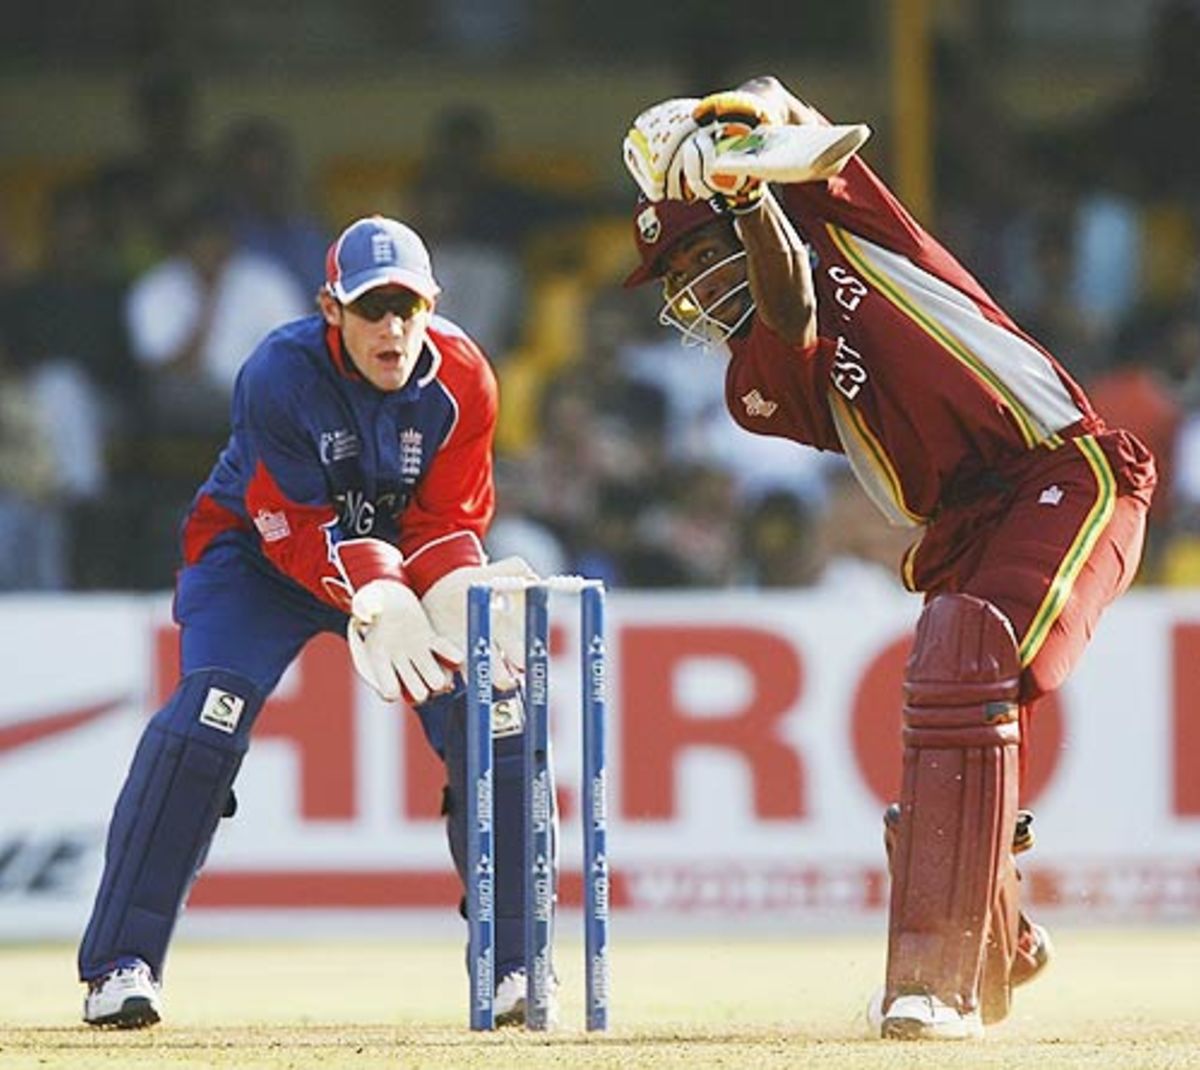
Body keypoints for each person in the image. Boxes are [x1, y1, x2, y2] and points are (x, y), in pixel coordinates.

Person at [621, 78, 1156, 1040]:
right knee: (945, 712)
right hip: (962, 528)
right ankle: (992, 941)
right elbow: (788, 311)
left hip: (1064, 469)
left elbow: (777, 101)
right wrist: (744, 209)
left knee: (973, 658)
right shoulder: (754, 386)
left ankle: (942, 977)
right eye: (678, 283)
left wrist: (723, 122)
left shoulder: (848, 216)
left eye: (693, 262)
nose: (688, 296)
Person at [78, 215, 547, 1029]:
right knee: (204, 721)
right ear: (333, 310)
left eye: (408, 307)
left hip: (398, 567)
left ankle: (514, 969)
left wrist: (449, 587)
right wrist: (376, 592)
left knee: (495, 713)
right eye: (373, 309)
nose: (392, 329)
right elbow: (288, 524)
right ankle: (121, 964)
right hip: (258, 563)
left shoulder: (464, 377)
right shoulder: (278, 372)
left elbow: (447, 518)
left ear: (432, 304)